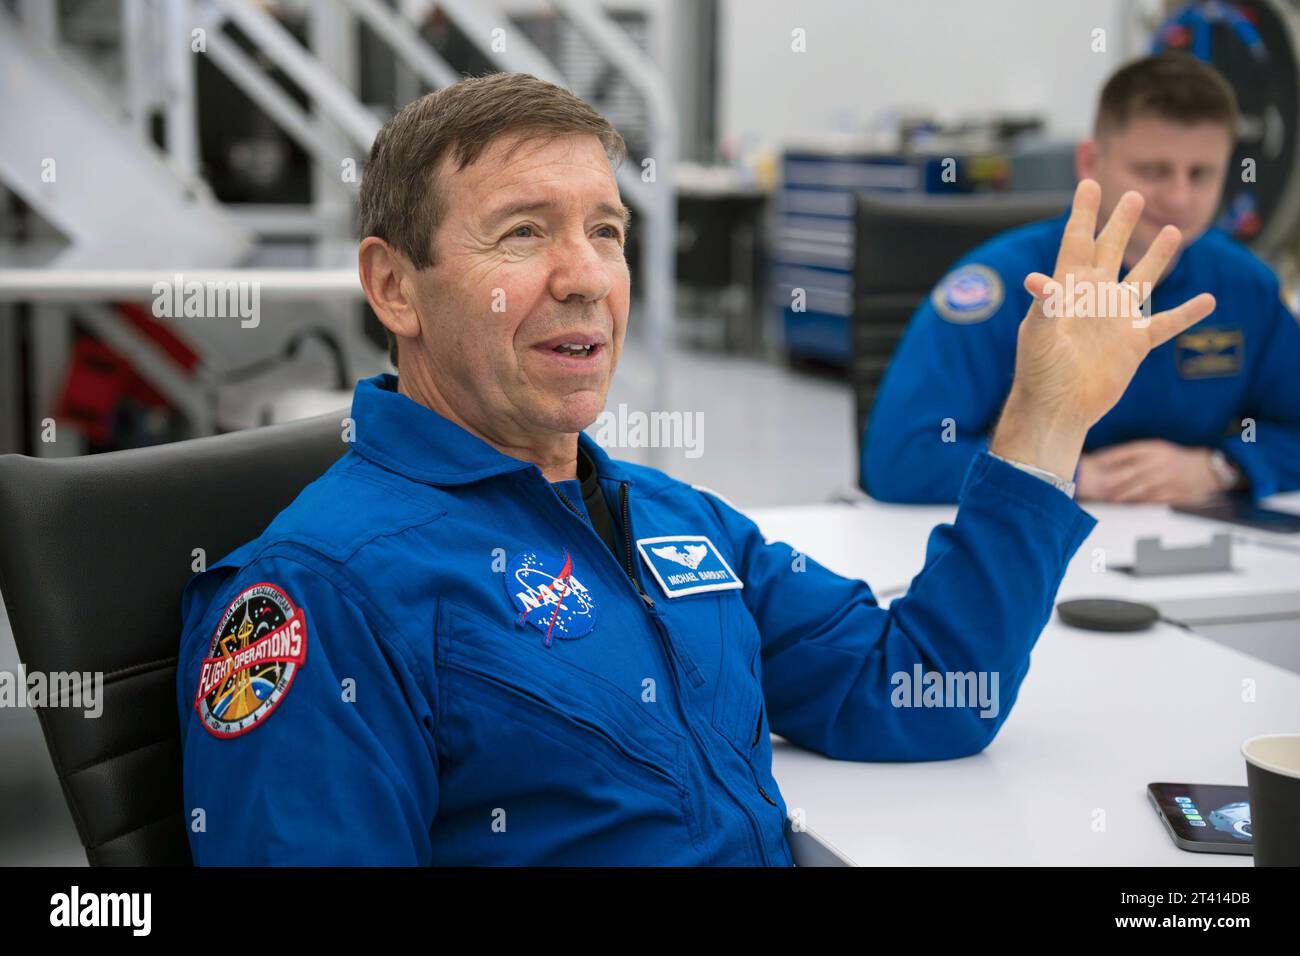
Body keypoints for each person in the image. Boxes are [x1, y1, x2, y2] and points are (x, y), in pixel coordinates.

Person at [176, 72, 1214, 865]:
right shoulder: (320, 595)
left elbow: (924, 690)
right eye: (522, 233)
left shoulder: (671, 520)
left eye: (607, 231)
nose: (584, 277)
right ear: (394, 288)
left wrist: (1040, 420)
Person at [861, 53, 1300, 505]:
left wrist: (1221, 467)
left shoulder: (1244, 286)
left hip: (1185, 556)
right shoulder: (1003, 283)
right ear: (1090, 161)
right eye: (1153, 171)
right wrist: (1065, 475)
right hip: (1027, 547)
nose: (1179, 196)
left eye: (1201, 174)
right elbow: (900, 459)